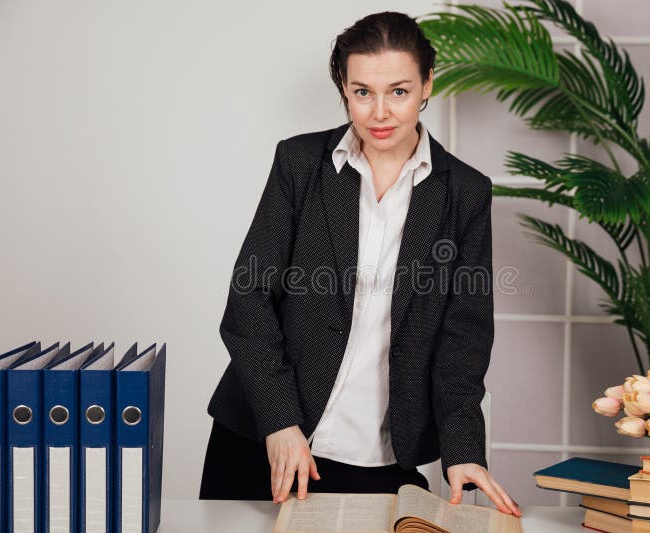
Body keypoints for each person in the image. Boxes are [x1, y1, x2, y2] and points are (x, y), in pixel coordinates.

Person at [199, 10, 521, 517]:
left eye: (398, 90)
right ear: (344, 90)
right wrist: (280, 422)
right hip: (266, 436)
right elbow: (249, 296)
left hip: (378, 455)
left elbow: (464, 338)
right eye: (362, 92)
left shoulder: (464, 192)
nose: (380, 112)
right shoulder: (300, 164)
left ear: (426, 85)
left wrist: (462, 451)